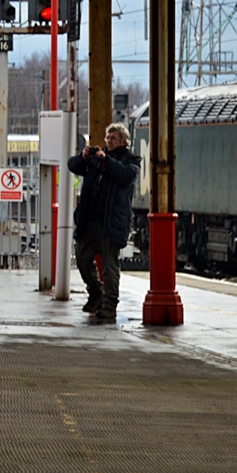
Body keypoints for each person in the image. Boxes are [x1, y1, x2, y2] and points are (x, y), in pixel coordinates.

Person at [67, 123, 141, 323]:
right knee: (82, 258)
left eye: (113, 138)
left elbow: (126, 176)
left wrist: (106, 160)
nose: (108, 141)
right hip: (89, 220)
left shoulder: (131, 160)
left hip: (111, 222)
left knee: (110, 267)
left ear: (123, 142)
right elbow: (73, 166)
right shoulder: (97, 159)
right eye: (107, 138)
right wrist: (83, 157)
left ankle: (109, 306)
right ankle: (95, 291)